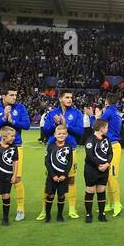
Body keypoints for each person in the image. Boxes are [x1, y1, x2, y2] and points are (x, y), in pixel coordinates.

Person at [38, 89, 85, 219]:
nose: (70, 99)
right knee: (49, 180)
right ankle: (44, 210)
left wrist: (66, 125)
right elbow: (46, 132)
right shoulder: (52, 113)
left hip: (70, 150)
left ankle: (72, 209)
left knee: (70, 179)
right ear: (60, 99)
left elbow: (81, 132)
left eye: (71, 97)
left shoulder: (76, 113)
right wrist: (55, 124)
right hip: (53, 150)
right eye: (67, 97)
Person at [0, 89, 31, 220]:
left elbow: (27, 125)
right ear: (3, 96)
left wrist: (12, 121)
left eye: (16, 95)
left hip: (16, 146)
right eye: (11, 95)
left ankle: (20, 209)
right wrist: (3, 118)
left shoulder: (20, 108)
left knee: (16, 178)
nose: (14, 97)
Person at [97, 94, 124, 217]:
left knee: (112, 175)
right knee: (108, 176)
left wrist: (94, 115)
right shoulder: (116, 112)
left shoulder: (108, 112)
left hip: (113, 146)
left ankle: (117, 203)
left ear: (107, 102)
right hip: (111, 145)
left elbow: (98, 127)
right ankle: (111, 203)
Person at [43, 122, 73, 223]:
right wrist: (53, 175)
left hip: (63, 177)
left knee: (61, 195)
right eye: (59, 134)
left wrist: (65, 175)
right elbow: (47, 162)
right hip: (52, 177)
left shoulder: (68, 147)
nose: (61, 136)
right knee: (50, 195)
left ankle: (60, 215)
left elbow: (69, 162)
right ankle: (48, 215)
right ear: (55, 135)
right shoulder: (50, 146)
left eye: (63, 134)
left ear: (67, 135)